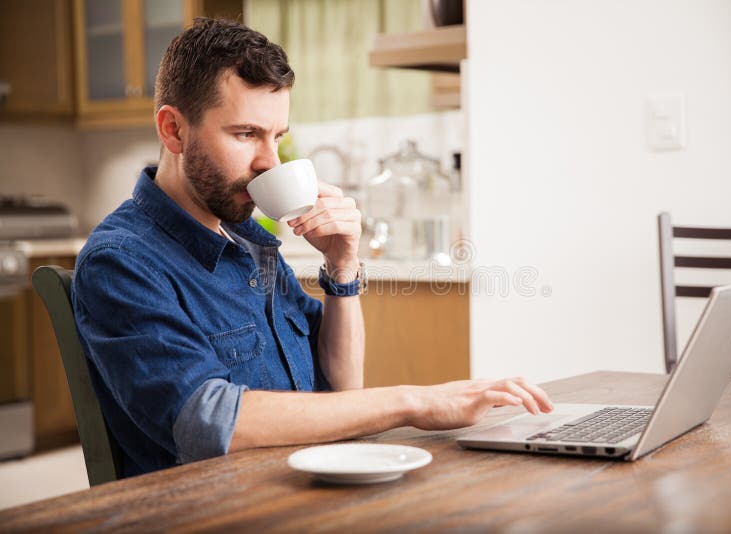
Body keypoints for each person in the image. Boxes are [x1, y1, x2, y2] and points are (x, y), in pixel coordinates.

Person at [72, 18, 552, 477]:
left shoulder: (248, 240)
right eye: (246, 134)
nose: (269, 161)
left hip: (307, 488)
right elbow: (207, 420)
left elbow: (342, 383)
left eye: (277, 136)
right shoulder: (121, 260)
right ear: (173, 129)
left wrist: (342, 267)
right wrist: (416, 401)